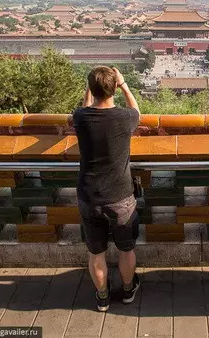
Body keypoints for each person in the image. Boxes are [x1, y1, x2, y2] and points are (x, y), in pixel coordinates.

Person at [73, 66, 141, 312]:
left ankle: (102, 297)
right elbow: (137, 110)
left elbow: (84, 106)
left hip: (89, 196)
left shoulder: (81, 117)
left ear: (91, 89)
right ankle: (127, 289)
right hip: (120, 196)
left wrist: (89, 89)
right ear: (114, 88)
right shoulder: (125, 118)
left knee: (96, 252)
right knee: (126, 248)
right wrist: (124, 85)